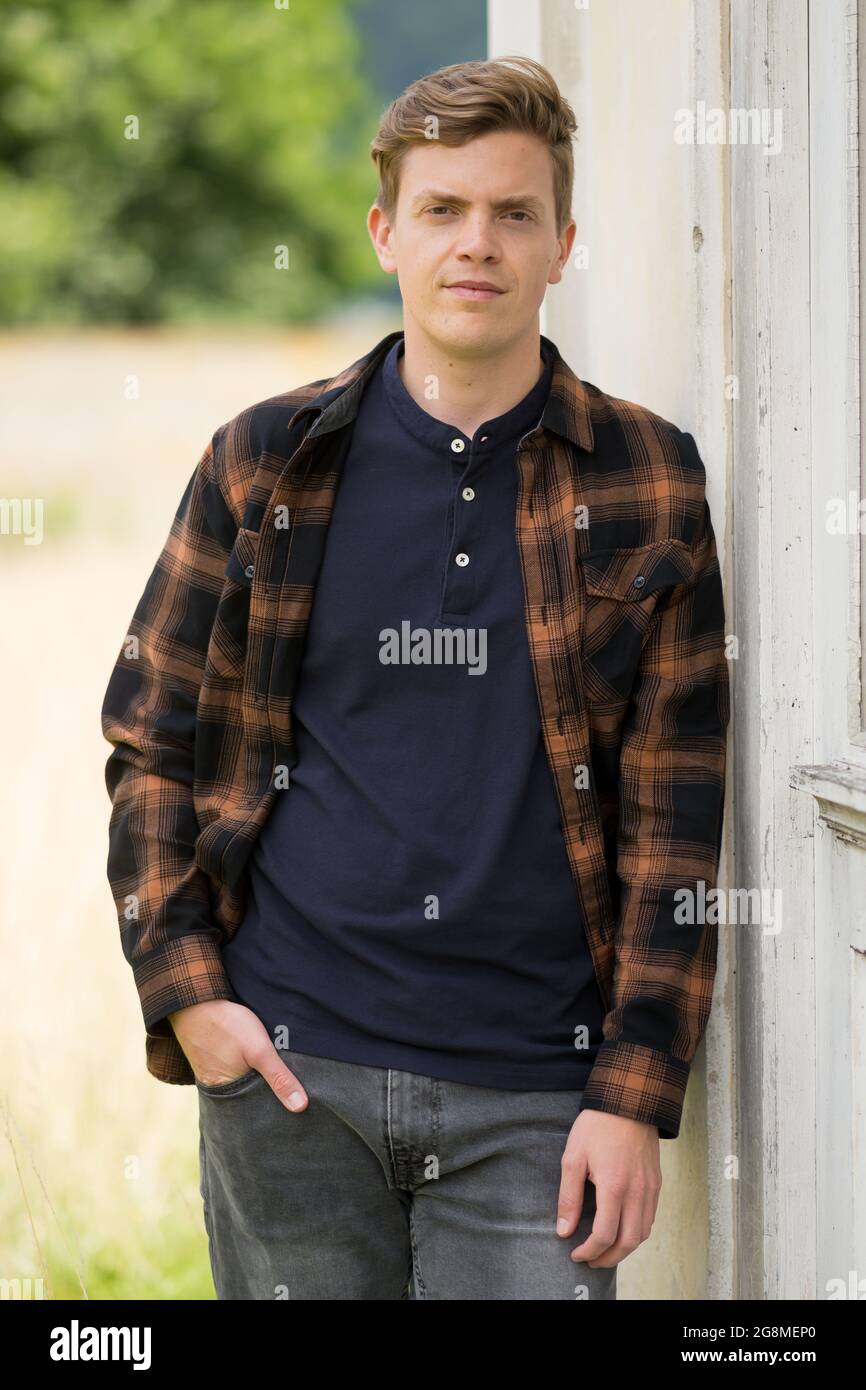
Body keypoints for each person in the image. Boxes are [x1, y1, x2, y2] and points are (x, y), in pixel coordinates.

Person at [101, 55, 730, 1301]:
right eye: (443, 210)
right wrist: (189, 999)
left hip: (535, 1103)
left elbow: (677, 819)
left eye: (513, 212)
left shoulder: (647, 478)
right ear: (386, 231)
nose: (476, 244)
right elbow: (149, 735)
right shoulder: (266, 462)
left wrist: (632, 1091)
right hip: (289, 1081)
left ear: (562, 242)